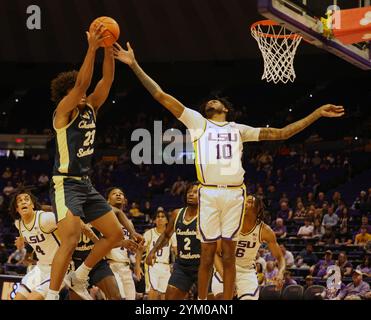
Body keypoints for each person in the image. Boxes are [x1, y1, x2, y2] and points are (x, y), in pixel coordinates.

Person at [113, 41, 344, 299]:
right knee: (208, 254)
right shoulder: (198, 122)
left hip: (235, 194)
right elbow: (161, 96)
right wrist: (134, 64)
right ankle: (202, 301)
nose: (212, 101)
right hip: (209, 194)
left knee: (229, 254)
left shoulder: (238, 129)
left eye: (217, 101)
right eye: (209, 101)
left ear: (225, 109)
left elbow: (282, 133)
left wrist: (316, 114)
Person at [47, 26, 141, 300]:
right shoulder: (63, 113)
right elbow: (81, 85)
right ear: (66, 95)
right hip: (65, 184)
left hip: (86, 185)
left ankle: (80, 275)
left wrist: (108, 49)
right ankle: (53, 296)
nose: (84, 95)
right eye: (77, 92)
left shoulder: (91, 108)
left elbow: (107, 81)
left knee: (113, 234)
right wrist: (91, 48)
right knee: (72, 239)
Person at [146, 182, 200, 300]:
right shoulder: (177, 214)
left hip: (202, 265)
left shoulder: (206, 215)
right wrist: (153, 251)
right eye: (189, 192)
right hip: (183, 266)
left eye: (195, 192)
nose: (191, 194)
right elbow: (166, 235)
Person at [8, 189, 63, 300]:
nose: (23, 202)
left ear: (32, 205)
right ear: (17, 209)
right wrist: (22, 242)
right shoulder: (18, 224)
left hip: (59, 267)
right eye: (20, 201)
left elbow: (67, 221)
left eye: (27, 199)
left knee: (33, 298)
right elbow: (31, 235)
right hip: (40, 268)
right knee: (18, 298)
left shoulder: (46, 219)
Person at [232, 195, 285, 299]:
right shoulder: (231, 223)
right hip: (225, 268)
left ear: (258, 208)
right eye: (244, 201)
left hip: (246, 270)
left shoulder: (265, 230)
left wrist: (280, 273)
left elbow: (279, 257)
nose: (245, 203)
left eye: (250, 202)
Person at [106, 187, 138, 300]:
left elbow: (131, 247)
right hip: (110, 265)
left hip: (125, 265)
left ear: (125, 200)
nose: (118, 195)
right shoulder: (104, 219)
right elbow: (100, 243)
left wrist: (137, 265)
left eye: (121, 194)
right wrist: (122, 243)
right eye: (114, 193)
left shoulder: (129, 223)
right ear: (108, 200)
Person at [136, 210, 177, 300]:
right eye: (157, 217)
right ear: (154, 221)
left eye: (162, 216)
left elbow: (176, 252)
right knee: (153, 291)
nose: (160, 218)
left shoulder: (171, 235)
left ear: (167, 220)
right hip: (152, 265)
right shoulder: (149, 233)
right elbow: (139, 250)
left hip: (166, 266)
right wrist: (137, 266)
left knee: (165, 294)